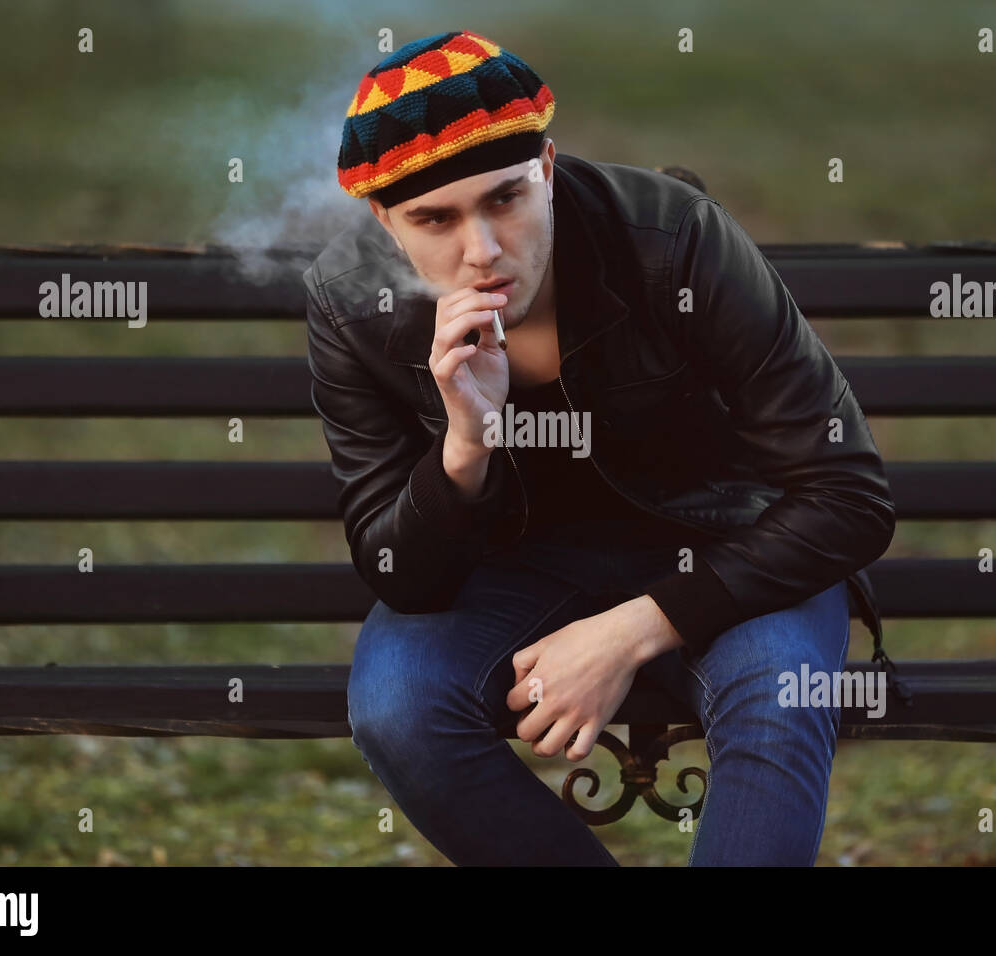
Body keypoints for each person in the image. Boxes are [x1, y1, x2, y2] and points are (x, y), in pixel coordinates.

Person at [305, 29, 897, 865]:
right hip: (516, 573)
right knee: (398, 708)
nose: (480, 250)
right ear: (384, 220)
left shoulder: (674, 237)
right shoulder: (349, 302)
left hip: (731, 545)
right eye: (434, 218)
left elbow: (849, 497)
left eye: (505, 198)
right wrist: (464, 450)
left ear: (546, 167)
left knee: (778, 700)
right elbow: (401, 572)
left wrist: (629, 631)